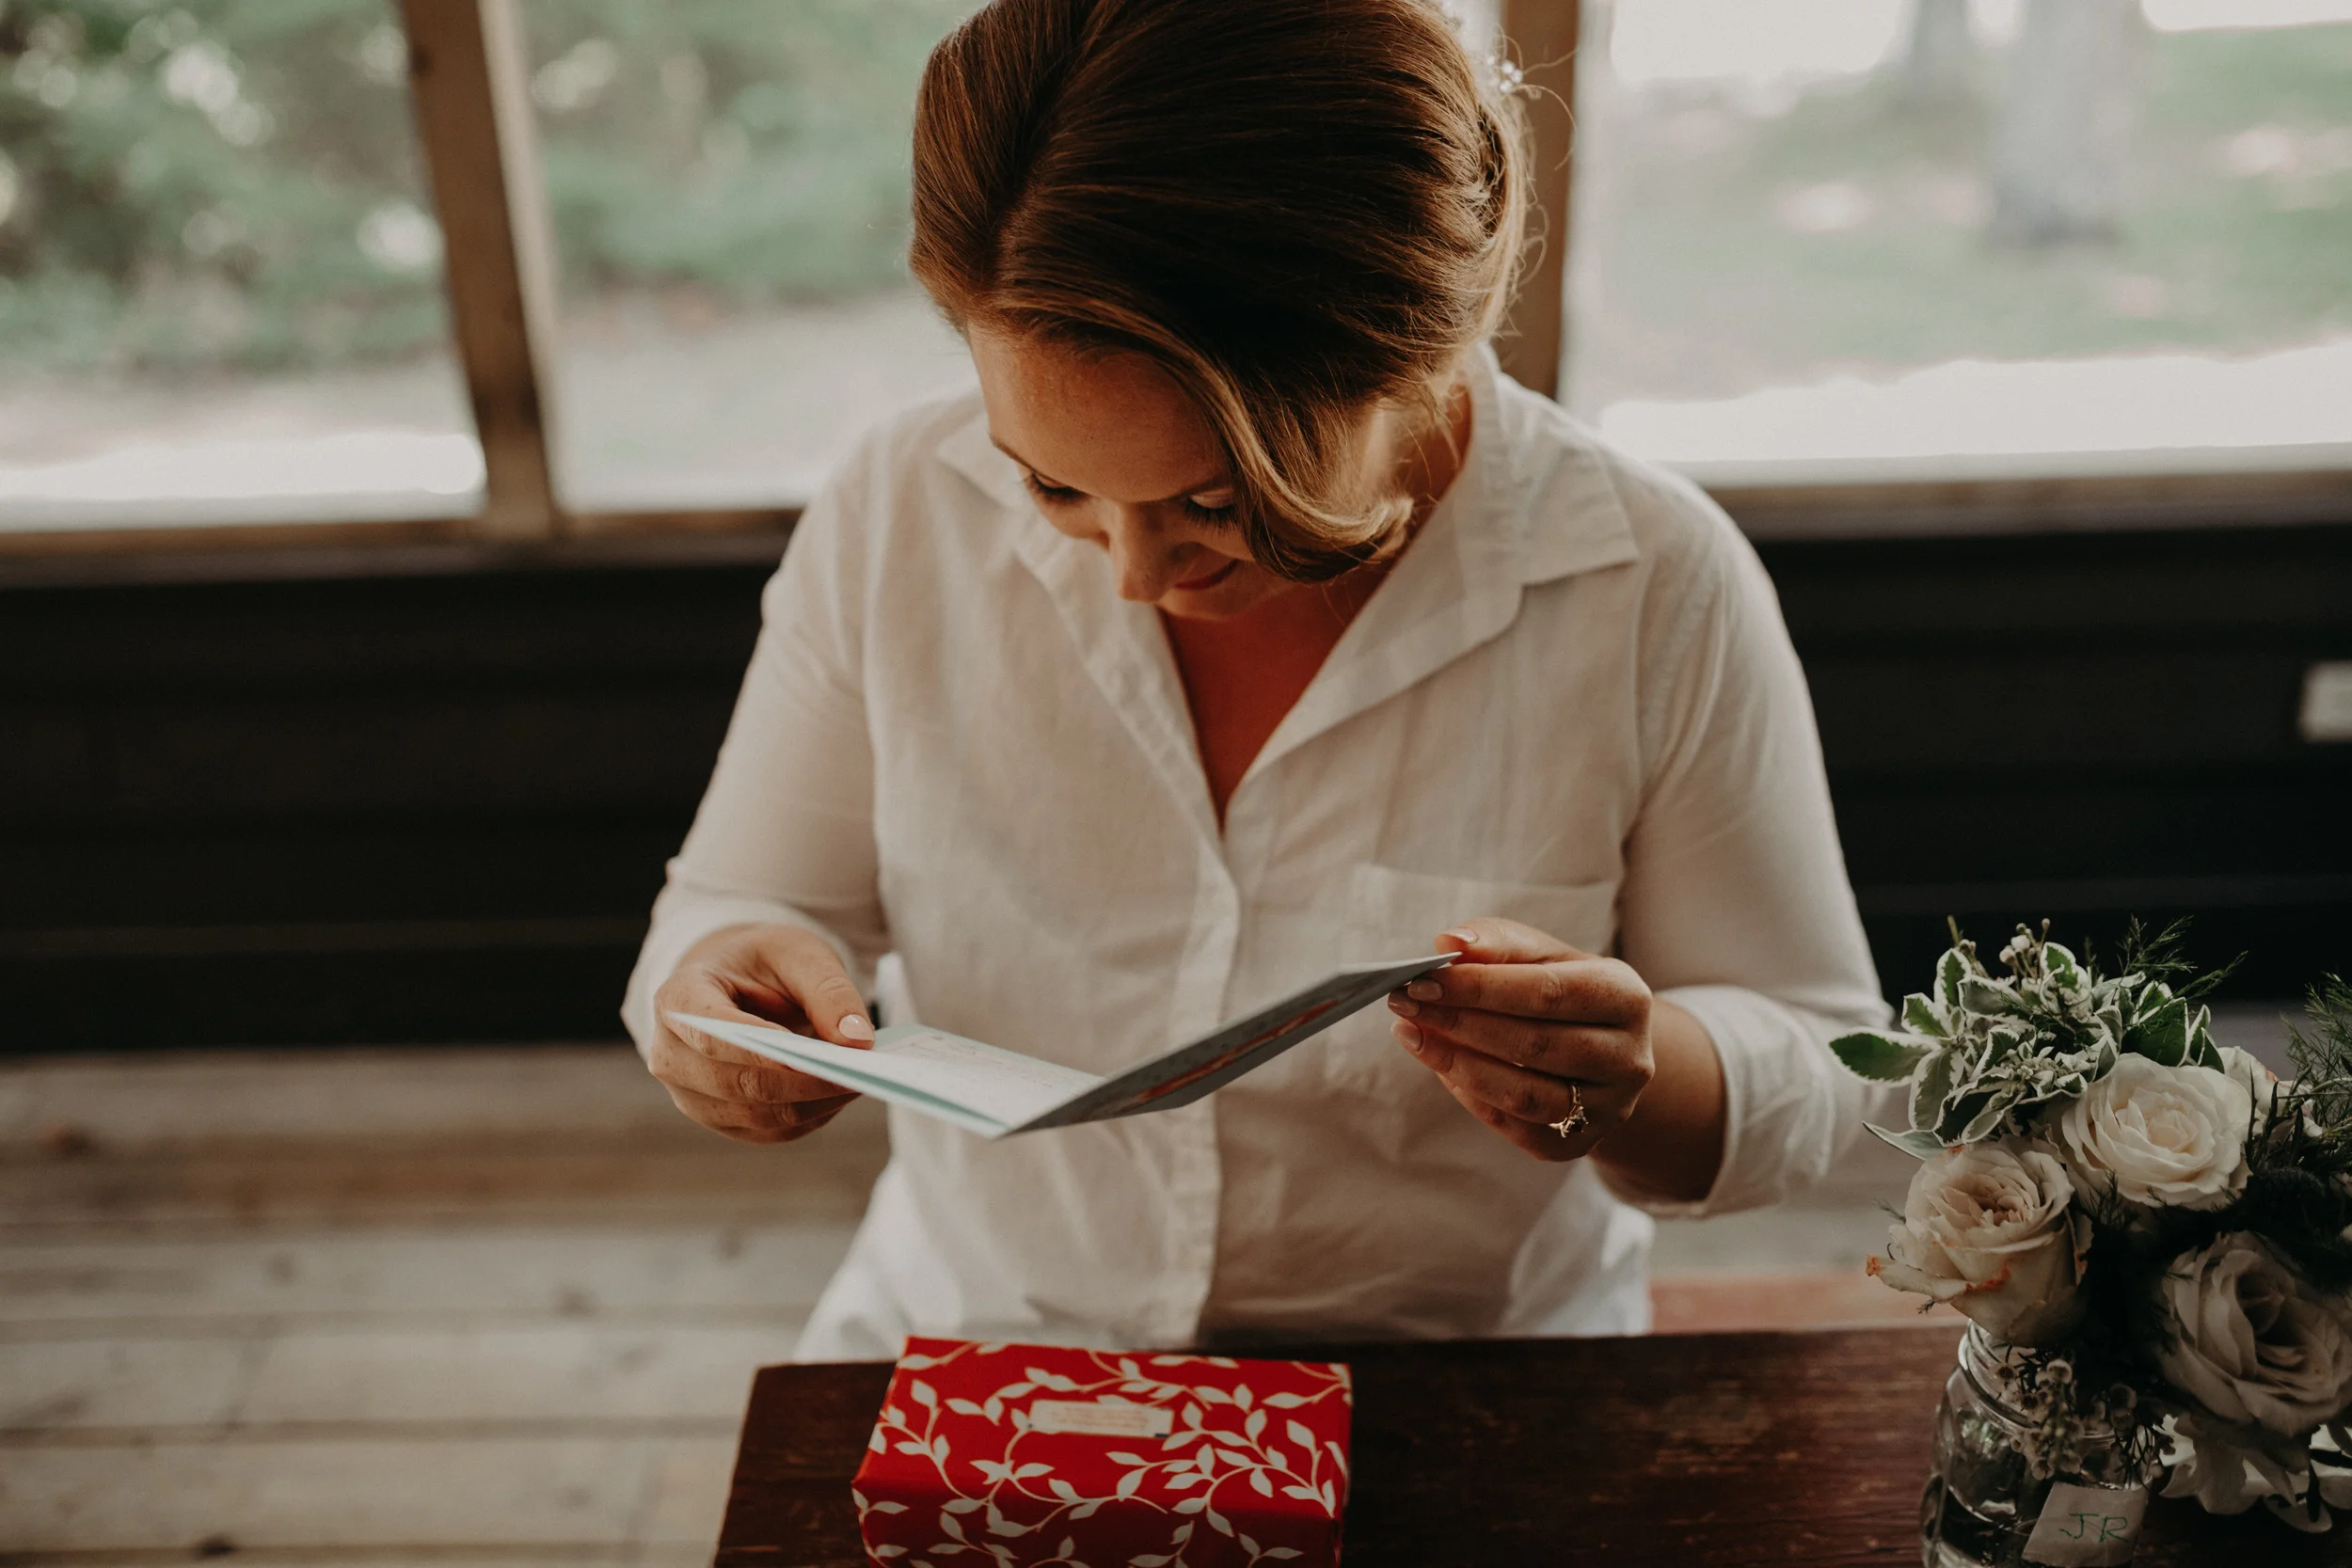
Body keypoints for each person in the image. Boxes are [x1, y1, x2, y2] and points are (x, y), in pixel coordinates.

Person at [622, 0, 1889, 1359]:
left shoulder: (1649, 581)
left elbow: (1821, 1059)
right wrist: (714, 997)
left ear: (1406, 360)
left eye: (1217, 502)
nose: (1129, 575)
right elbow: (729, 912)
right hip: (980, 1350)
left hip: (1461, 1391)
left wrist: (1638, 1074)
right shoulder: (896, 509)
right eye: (1052, 483)